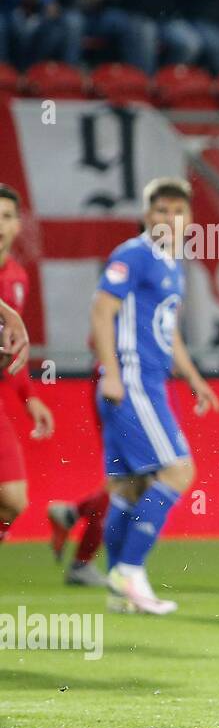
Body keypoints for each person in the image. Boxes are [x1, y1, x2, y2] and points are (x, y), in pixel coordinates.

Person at [91, 177, 219, 614]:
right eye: (161, 210)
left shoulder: (172, 263)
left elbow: (170, 333)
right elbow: (102, 309)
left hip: (146, 381)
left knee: (128, 488)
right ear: (147, 216)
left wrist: (193, 377)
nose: (169, 218)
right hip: (131, 381)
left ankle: (119, 587)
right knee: (179, 472)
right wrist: (111, 372)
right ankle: (129, 570)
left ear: (189, 220)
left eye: (177, 211)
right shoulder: (135, 255)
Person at [0, 184, 53, 544]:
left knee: (14, 501)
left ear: (19, 225)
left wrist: (29, 396)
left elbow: (13, 350)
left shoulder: (17, 277)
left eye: (6, 216)